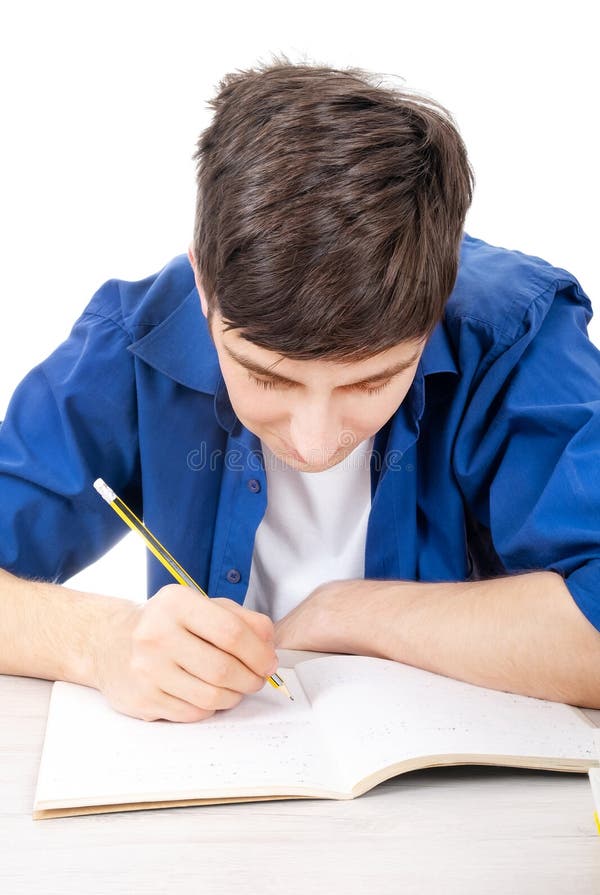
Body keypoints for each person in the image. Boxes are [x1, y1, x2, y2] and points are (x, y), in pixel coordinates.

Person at [1, 58, 599, 723]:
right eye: (266, 376)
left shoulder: (515, 337)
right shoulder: (135, 336)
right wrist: (98, 641)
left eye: (373, 380)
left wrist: (352, 611)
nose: (315, 444)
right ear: (205, 288)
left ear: (437, 304)